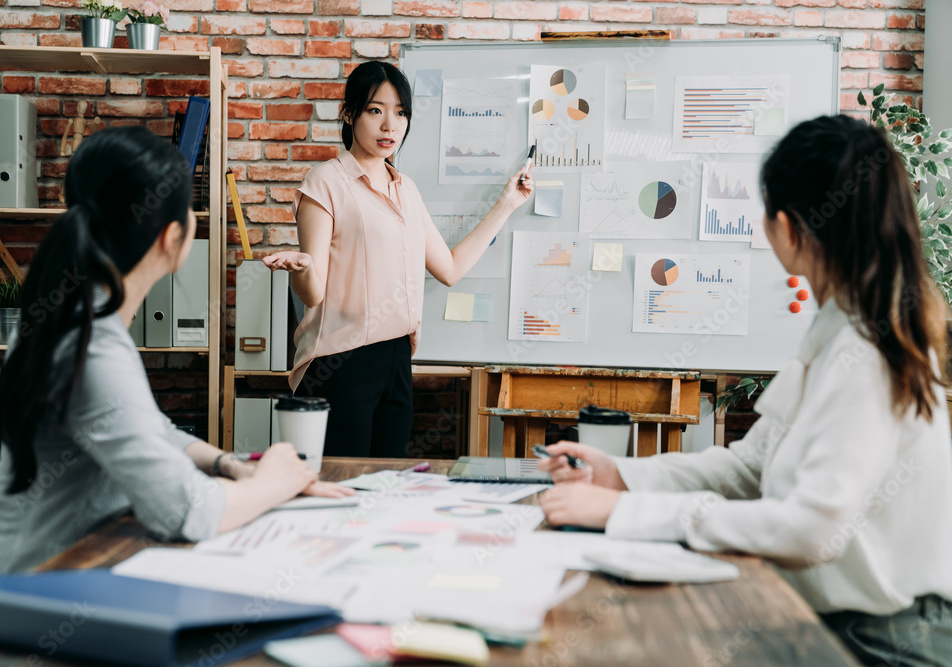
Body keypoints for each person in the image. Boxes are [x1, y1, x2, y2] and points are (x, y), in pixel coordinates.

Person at [538, 115, 952, 666]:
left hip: (883, 641)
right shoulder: (842, 328)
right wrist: (623, 476)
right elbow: (751, 469)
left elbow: (812, 528)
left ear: (787, 228)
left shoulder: (865, 350)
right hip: (846, 620)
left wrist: (621, 512)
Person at [0, 127, 352, 575]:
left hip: (34, 572)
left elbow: (145, 427)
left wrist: (229, 465)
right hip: (25, 590)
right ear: (172, 237)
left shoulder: (72, 314)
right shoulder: (92, 345)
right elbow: (185, 511)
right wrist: (274, 481)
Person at [264, 61, 532, 458]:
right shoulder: (325, 181)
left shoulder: (406, 189)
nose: (390, 125)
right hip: (340, 362)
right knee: (343, 480)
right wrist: (301, 270)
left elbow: (450, 269)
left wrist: (507, 204)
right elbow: (313, 293)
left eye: (401, 112)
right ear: (349, 113)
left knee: (388, 480)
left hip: (397, 359)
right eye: (376, 110)